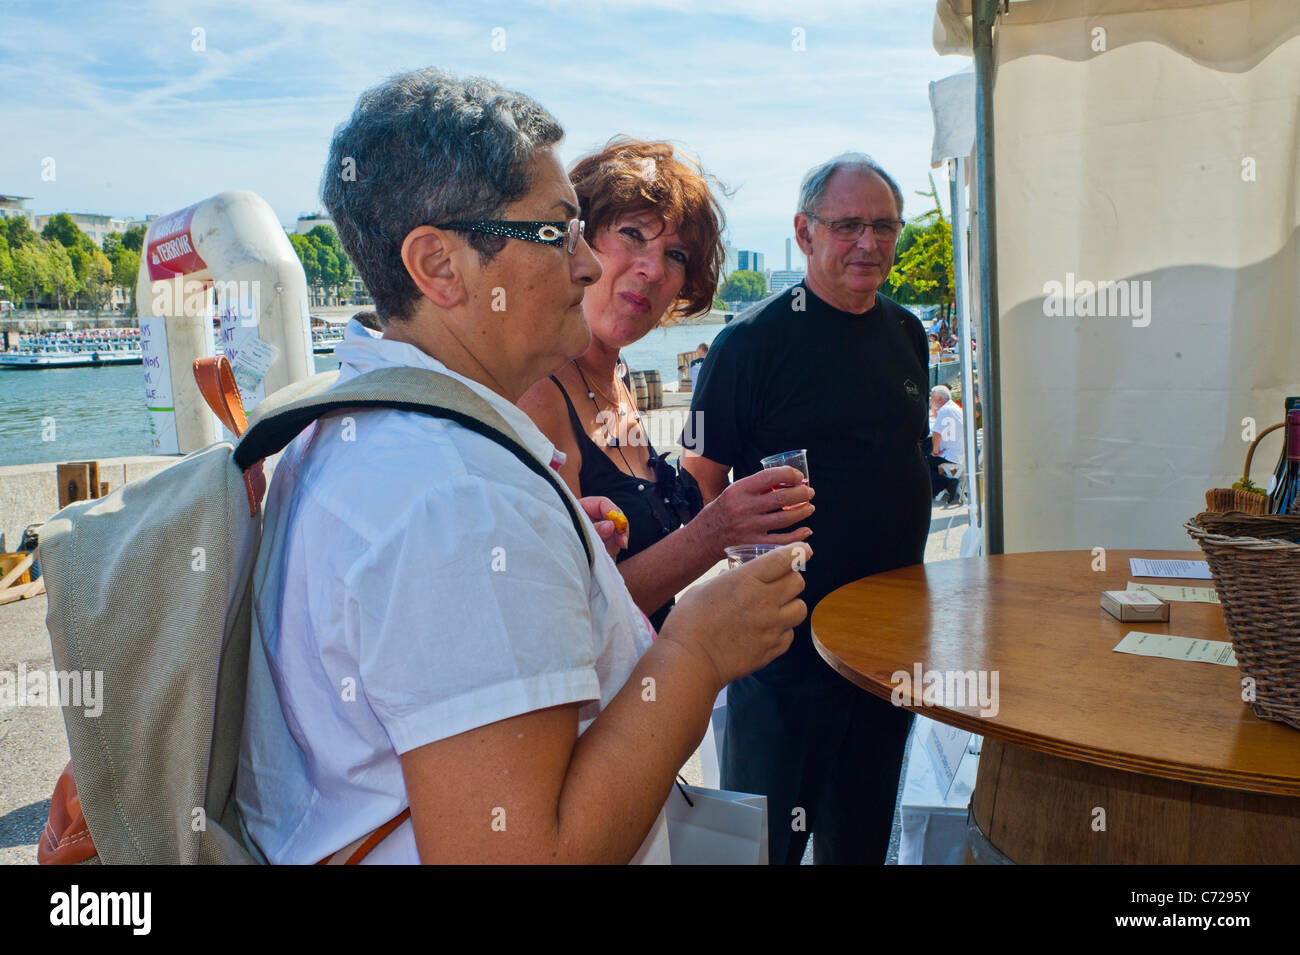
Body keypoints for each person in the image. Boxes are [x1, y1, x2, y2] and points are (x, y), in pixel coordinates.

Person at [236, 69, 810, 865]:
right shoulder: (458, 499)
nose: (587, 265)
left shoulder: (357, 427)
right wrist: (700, 650)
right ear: (439, 265)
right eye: (560, 231)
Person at [683, 152, 930, 865]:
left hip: (888, 650)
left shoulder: (906, 332)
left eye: (884, 226)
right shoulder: (750, 345)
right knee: (765, 851)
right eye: (848, 224)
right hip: (784, 653)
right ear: (804, 232)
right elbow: (699, 478)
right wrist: (744, 579)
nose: (868, 242)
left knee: (859, 841)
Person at [518, 137, 813, 631]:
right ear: (576, 241)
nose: (653, 270)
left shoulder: (617, 373)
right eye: (632, 234)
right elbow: (572, 617)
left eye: (676, 254)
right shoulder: (537, 394)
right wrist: (715, 531)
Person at [928, 384, 965, 504]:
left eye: (932, 397)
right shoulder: (954, 407)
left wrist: (935, 451)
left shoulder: (944, 410)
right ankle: (939, 486)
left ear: (939, 399)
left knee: (922, 463)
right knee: (929, 461)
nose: (930, 400)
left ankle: (947, 483)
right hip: (960, 452)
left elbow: (936, 433)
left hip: (951, 454)